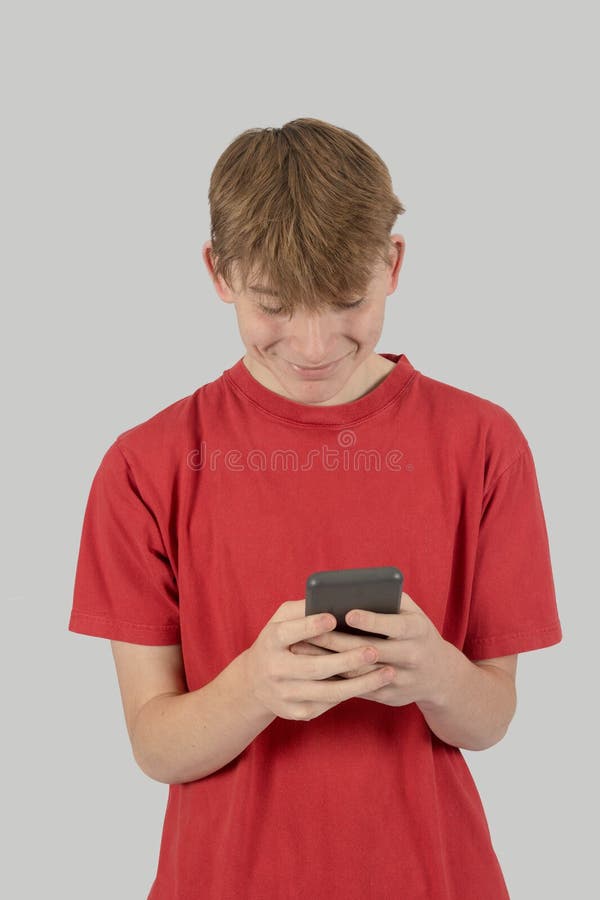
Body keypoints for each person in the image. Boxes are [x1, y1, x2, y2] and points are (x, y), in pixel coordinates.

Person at [68, 118, 563, 900]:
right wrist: (252, 690)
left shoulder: (484, 444)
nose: (310, 344)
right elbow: (156, 747)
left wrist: (437, 672)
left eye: (344, 301)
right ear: (218, 273)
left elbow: (491, 718)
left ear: (392, 264)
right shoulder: (146, 465)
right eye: (274, 305)